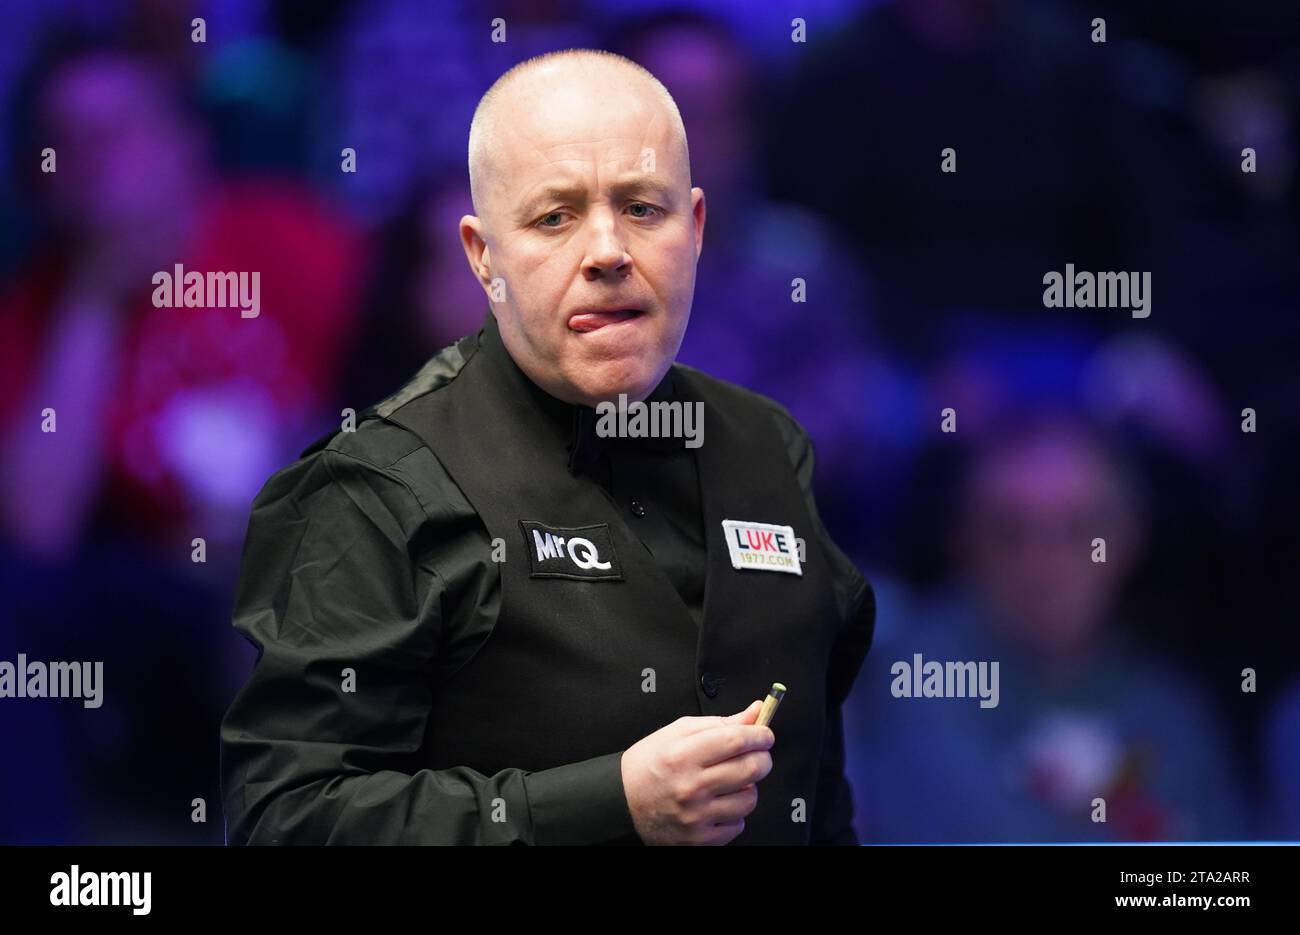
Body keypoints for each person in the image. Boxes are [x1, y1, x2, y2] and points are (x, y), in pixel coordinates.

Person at [220, 49, 875, 845]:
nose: (607, 251)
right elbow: (283, 820)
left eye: (642, 208)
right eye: (554, 216)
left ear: (695, 228)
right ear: (482, 253)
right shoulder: (374, 488)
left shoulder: (770, 446)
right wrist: (609, 802)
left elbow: (819, 798)